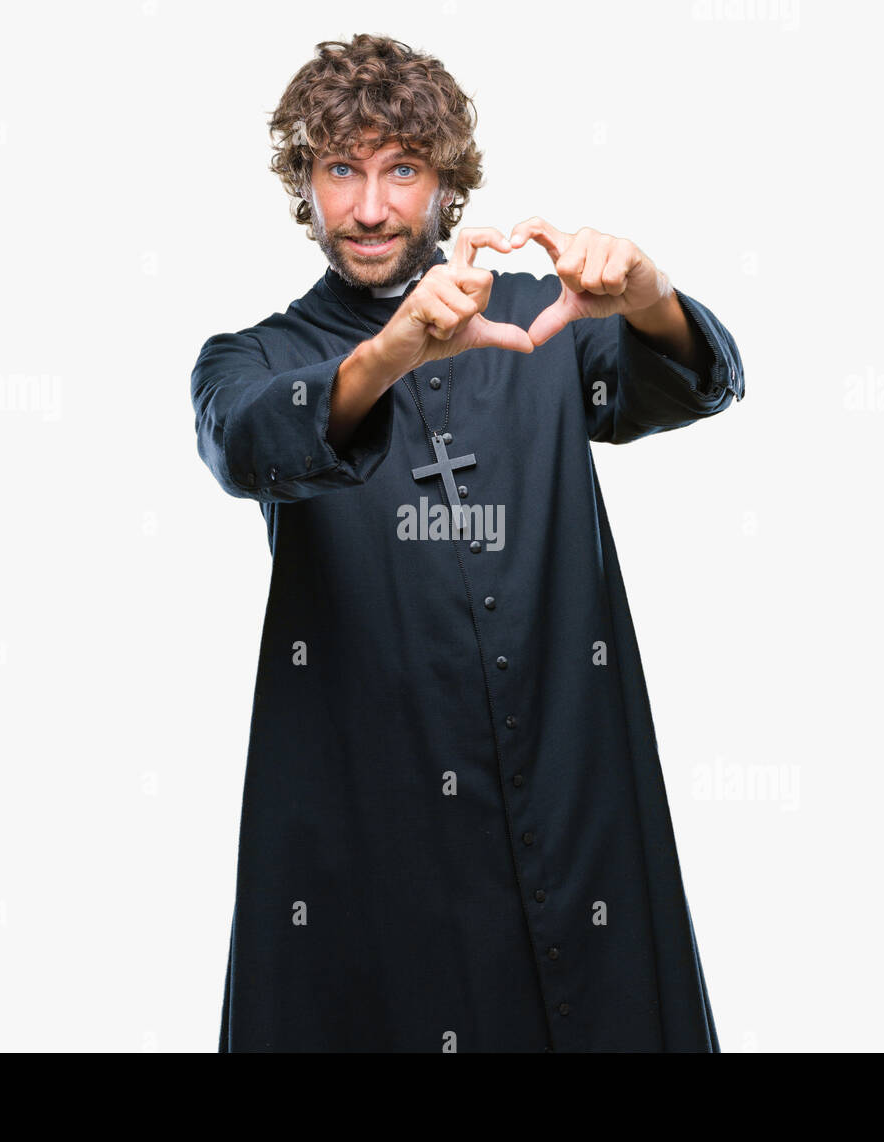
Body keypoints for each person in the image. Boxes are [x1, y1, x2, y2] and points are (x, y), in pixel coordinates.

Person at [190, 33, 745, 1053]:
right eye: (339, 168)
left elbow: (694, 382)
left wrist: (649, 295)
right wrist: (391, 349)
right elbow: (246, 441)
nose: (368, 206)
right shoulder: (251, 356)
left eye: (402, 168)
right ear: (302, 184)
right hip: (377, 814)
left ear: (448, 187)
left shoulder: (543, 319)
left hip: (575, 790)